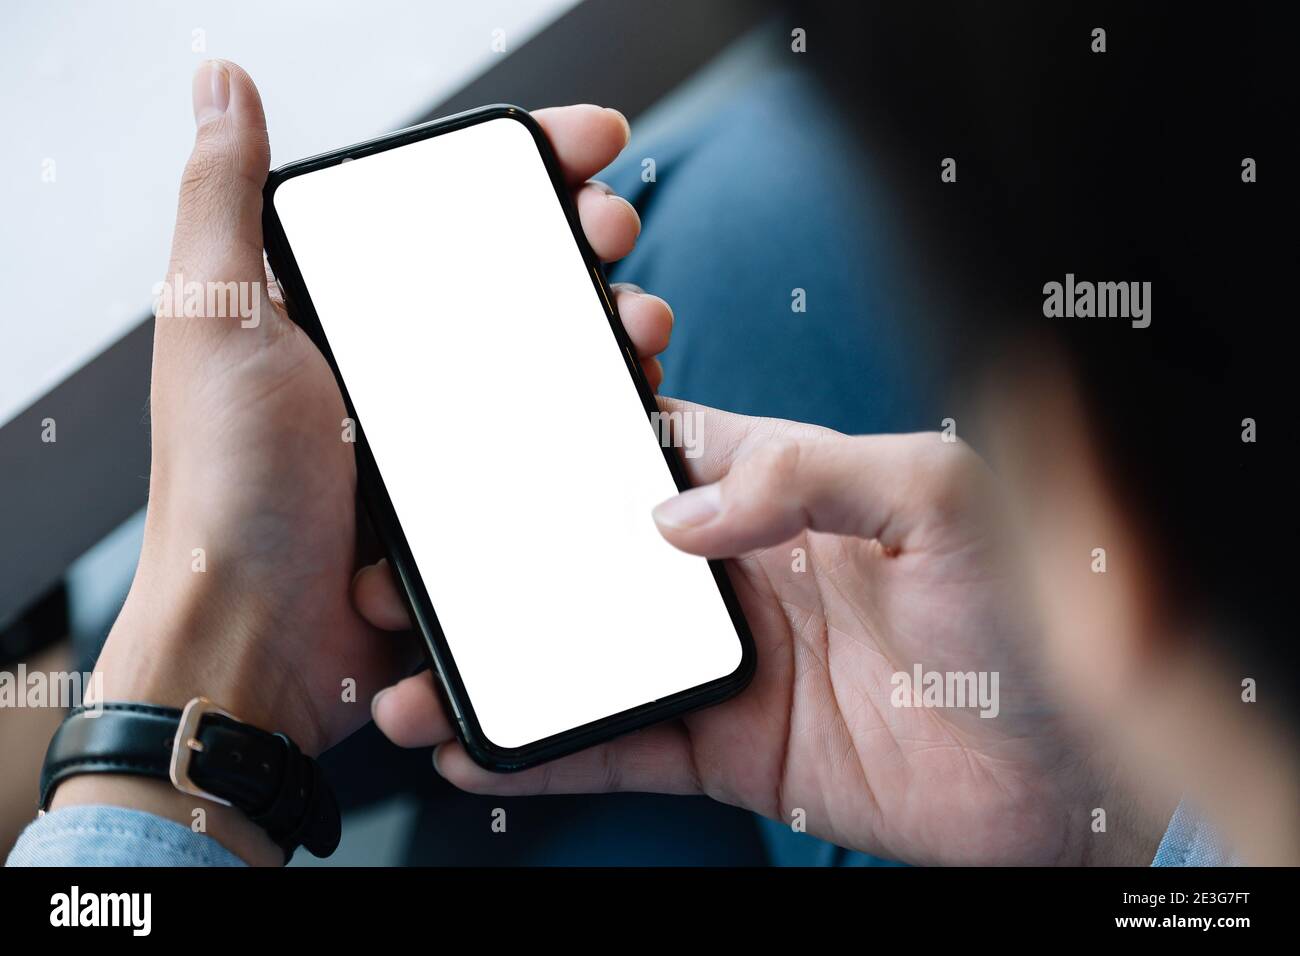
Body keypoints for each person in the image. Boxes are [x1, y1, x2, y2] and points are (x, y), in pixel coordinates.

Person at [9, 45, 1295, 867]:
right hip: (989, 781)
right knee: (745, 206)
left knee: (734, 216)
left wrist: (192, 664)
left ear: (1117, 567)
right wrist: (1109, 818)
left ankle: (68, 708)